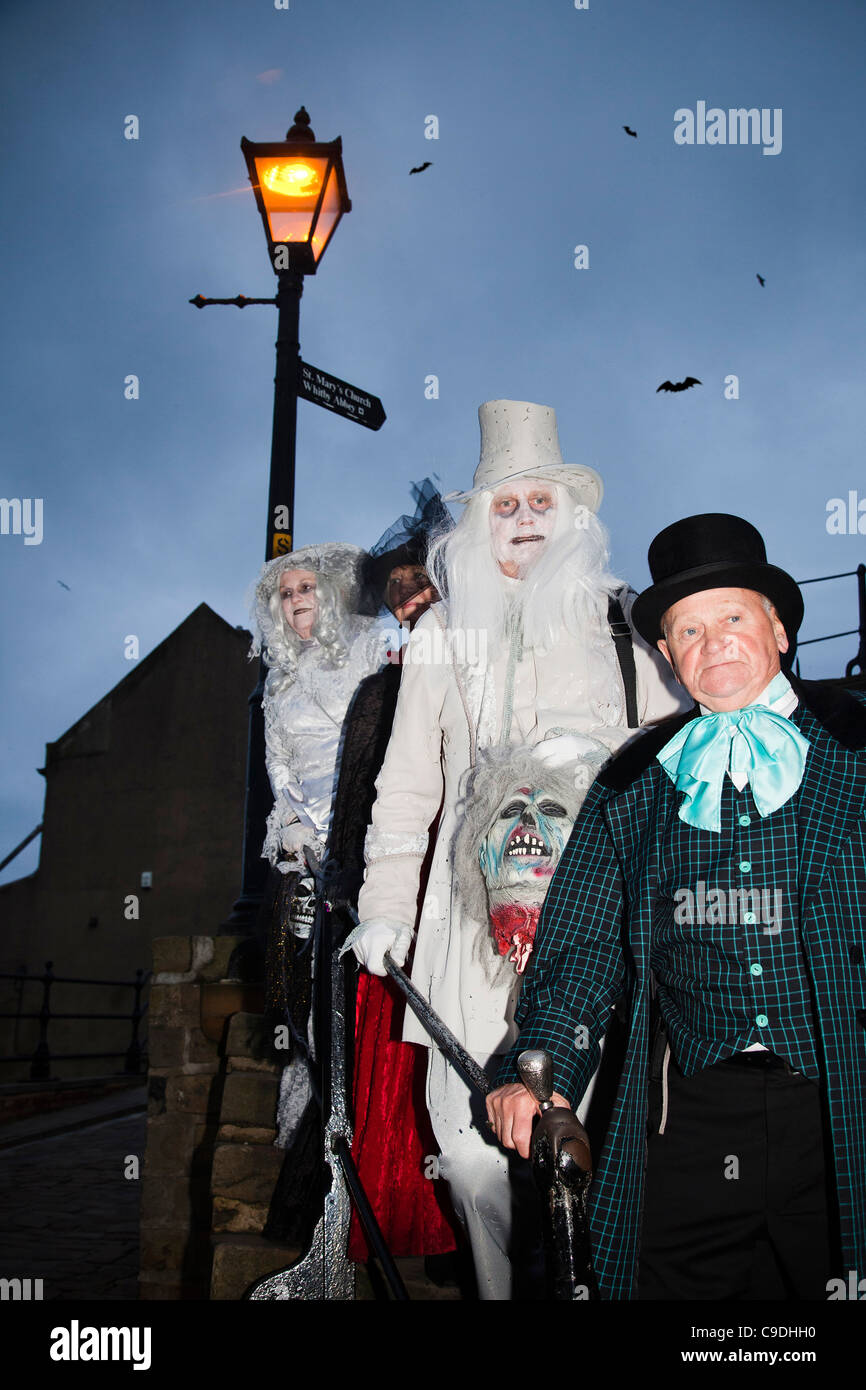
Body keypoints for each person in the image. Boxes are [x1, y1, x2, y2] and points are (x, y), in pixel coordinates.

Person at [346, 400, 688, 1298]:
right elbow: (408, 788)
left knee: (588, 1150)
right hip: (466, 930)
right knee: (465, 1158)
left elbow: (678, 775)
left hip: (595, 925)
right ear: (475, 524)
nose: (525, 520)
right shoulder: (436, 638)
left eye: (541, 501)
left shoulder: (625, 629)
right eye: (505, 505)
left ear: (571, 515)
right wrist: (385, 906)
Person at [487, 512, 866, 1300]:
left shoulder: (859, 743)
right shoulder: (630, 781)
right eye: (688, 630)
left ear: (780, 631)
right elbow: (585, 946)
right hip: (690, 1108)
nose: (714, 641)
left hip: (842, 1098)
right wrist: (541, 1070)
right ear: (667, 656)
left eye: (733, 617)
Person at [326, 482, 460, 1265]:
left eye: (420, 584)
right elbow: (361, 800)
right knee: (394, 1053)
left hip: (463, 882)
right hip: (397, 886)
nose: (408, 601)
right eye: (398, 592)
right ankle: (402, 1212)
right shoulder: (381, 689)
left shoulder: (473, 662)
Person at [250, 541, 386, 1245]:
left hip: (369, 850)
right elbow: (279, 766)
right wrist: (295, 833)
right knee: (302, 994)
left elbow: (384, 745)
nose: (298, 600)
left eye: (307, 588)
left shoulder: (368, 649)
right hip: (309, 861)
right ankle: (311, 1130)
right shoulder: (278, 680)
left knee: (363, 995)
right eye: (286, 593)